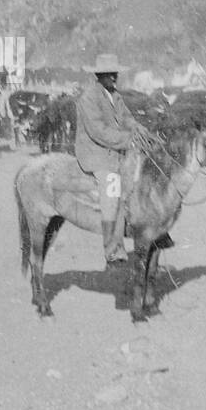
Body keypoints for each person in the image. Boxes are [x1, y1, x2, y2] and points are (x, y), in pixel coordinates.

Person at [75, 53, 151, 266]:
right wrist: (129, 140)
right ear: (99, 75)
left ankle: (153, 230)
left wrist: (139, 129)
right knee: (112, 192)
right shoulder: (89, 97)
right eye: (110, 74)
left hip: (115, 149)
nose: (115, 77)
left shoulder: (114, 95)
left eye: (115, 73)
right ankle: (112, 249)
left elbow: (126, 117)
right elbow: (99, 132)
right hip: (96, 153)